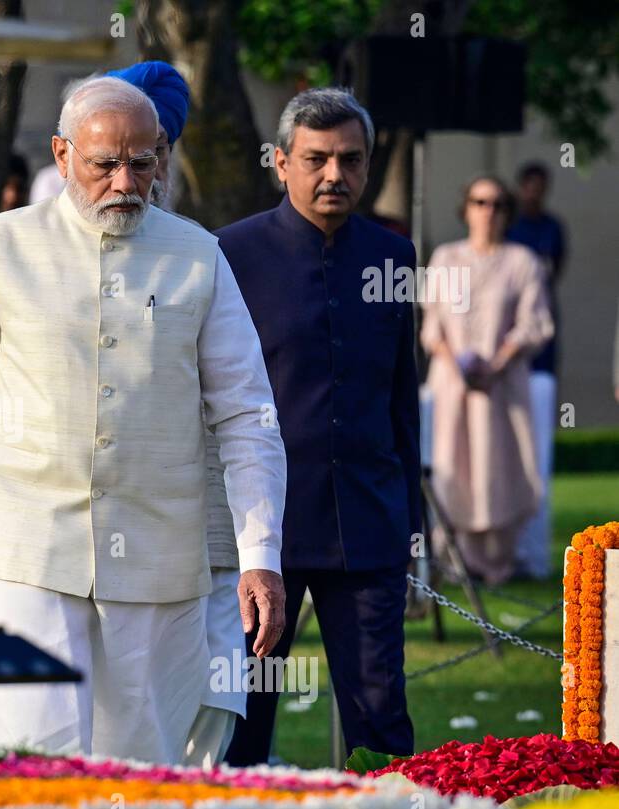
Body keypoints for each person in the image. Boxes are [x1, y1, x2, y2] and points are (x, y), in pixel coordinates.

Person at [0, 76, 287, 766]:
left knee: (143, 766)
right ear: (61, 154)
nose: (124, 182)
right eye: (104, 163)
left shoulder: (198, 254)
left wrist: (259, 555)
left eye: (142, 162)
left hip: (159, 559)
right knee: (38, 757)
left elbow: (247, 414)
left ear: (162, 158)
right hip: (24, 549)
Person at [217, 88, 420, 764]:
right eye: (317, 159)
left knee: (381, 714)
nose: (335, 174)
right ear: (281, 162)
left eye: (350, 160)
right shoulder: (230, 254)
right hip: (262, 531)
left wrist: (411, 522)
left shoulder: (394, 257)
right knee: (245, 713)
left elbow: (402, 397)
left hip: (367, 523)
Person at [105, 60, 243, 768]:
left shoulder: (202, 252)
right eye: (116, 154)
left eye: (152, 149)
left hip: (207, 534)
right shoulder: (35, 244)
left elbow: (245, 409)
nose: (134, 170)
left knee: (211, 710)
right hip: (94, 547)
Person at [421, 174, 553, 587]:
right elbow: (432, 328)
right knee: (450, 463)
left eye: (497, 204)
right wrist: (457, 366)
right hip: (452, 385)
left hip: (502, 387)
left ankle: (497, 560)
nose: (488, 212)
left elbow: (535, 324)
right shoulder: (446, 258)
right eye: (480, 202)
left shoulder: (522, 261)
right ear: (467, 209)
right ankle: (448, 559)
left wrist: (496, 364)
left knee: (497, 467)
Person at [506, 162, 567, 579]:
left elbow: (550, 279)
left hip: (536, 362)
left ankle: (531, 551)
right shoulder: (509, 232)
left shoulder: (553, 228)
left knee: (534, 456)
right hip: (499, 372)